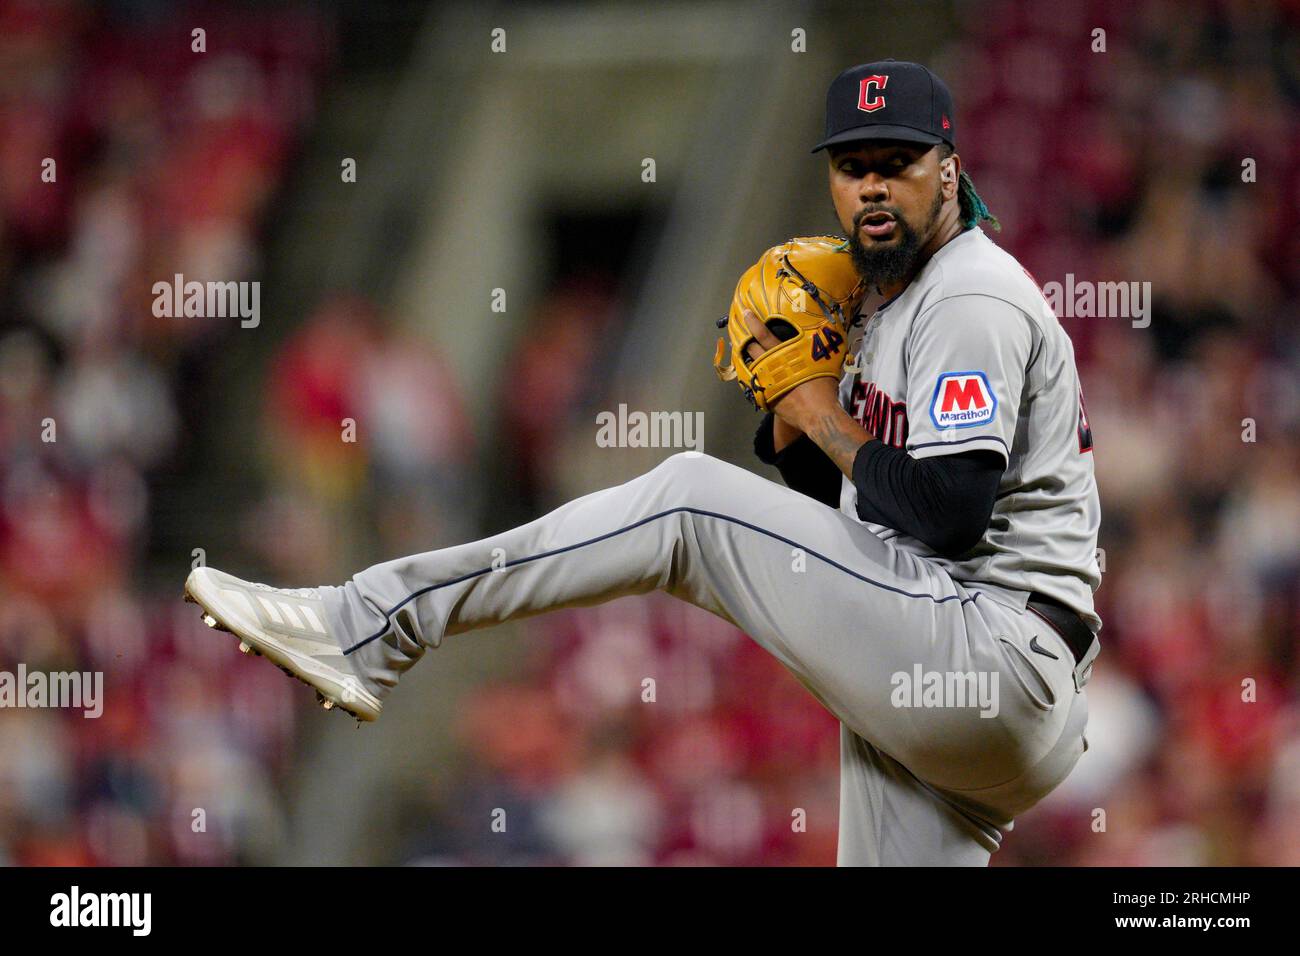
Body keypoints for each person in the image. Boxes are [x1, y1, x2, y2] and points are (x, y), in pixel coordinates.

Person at [185, 60, 1101, 866]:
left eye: (896, 163)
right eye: (851, 165)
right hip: (964, 686)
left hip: (991, 655)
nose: (871, 187)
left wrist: (816, 408)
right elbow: (870, 514)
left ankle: (369, 624)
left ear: (949, 167)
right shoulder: (890, 302)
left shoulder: (972, 296)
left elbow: (949, 512)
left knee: (685, 505)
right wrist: (790, 418)